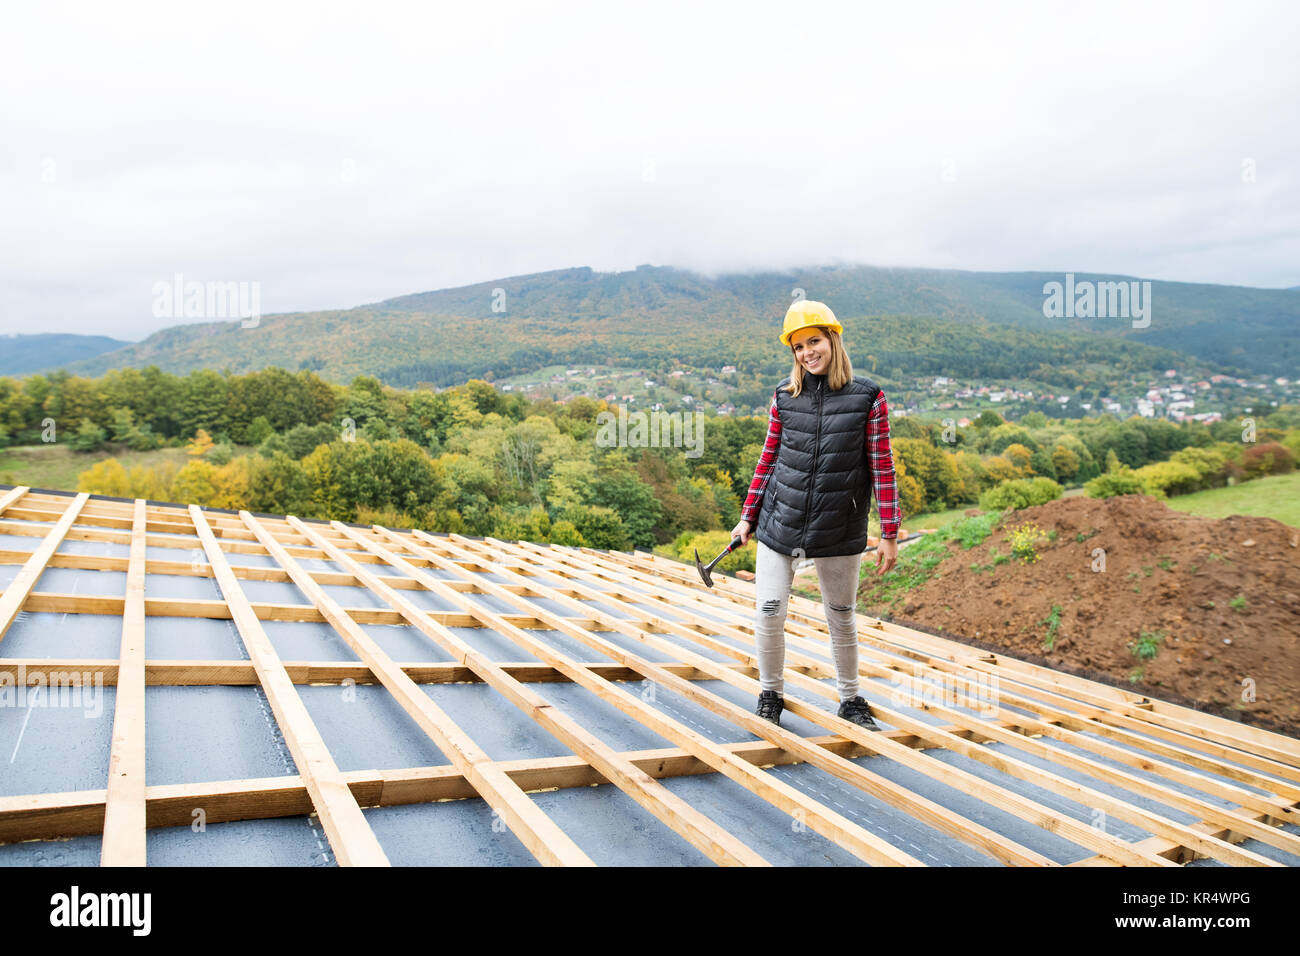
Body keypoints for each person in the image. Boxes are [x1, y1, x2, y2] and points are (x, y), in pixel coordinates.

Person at [730, 299, 900, 730]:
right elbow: (767, 462)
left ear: (833, 340)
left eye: (815, 341)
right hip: (778, 521)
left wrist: (890, 532)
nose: (808, 352)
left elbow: (882, 465)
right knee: (769, 611)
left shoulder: (868, 398)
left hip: (839, 525)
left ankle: (850, 699)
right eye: (799, 346)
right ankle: (771, 693)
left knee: (841, 616)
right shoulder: (785, 399)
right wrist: (747, 517)